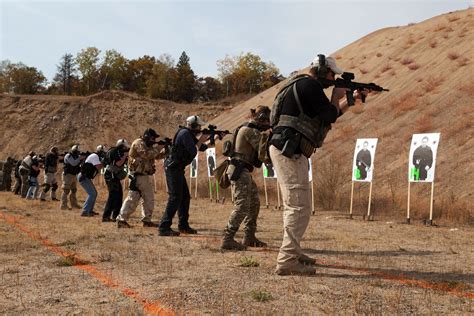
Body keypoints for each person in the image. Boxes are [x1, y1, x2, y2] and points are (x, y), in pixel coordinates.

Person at [268, 54, 368, 275]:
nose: (333, 78)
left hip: (289, 148)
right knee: (298, 207)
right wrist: (340, 96)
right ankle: (286, 260)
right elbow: (330, 115)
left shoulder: (300, 84)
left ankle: (293, 251)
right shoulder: (310, 86)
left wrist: (345, 96)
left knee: (296, 205)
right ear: (323, 72)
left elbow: (326, 116)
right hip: (289, 149)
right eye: (333, 74)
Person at [221, 105, 271, 250]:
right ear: (262, 119)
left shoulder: (247, 129)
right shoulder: (249, 131)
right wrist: (269, 135)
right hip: (239, 170)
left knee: (254, 203)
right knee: (242, 205)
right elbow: (263, 151)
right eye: (266, 121)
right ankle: (227, 238)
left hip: (242, 171)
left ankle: (249, 237)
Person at [158, 116, 209, 236]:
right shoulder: (185, 133)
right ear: (193, 125)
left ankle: (183, 225)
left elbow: (202, 147)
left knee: (184, 197)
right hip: (173, 168)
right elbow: (193, 151)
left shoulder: (188, 134)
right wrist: (201, 139)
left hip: (177, 168)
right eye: (199, 126)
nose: (200, 128)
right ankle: (163, 227)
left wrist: (215, 137)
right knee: (175, 197)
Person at [116, 129, 167, 228]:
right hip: (137, 176)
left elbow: (157, 156)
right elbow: (147, 154)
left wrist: (166, 150)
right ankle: (122, 219)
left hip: (144, 176)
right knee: (133, 198)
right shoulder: (138, 143)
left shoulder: (148, 146)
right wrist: (159, 146)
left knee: (147, 199)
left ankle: (146, 220)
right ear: (147, 136)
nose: (154, 140)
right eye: (153, 138)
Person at [102, 139, 130, 222]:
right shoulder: (114, 151)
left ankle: (115, 215)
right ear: (121, 146)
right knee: (112, 196)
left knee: (119, 196)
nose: (126, 148)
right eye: (125, 147)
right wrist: (125, 156)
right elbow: (118, 164)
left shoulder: (119, 151)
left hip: (115, 176)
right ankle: (106, 217)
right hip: (110, 175)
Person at [77, 149, 103, 217]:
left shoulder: (95, 156)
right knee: (92, 193)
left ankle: (90, 210)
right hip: (83, 177)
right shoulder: (95, 156)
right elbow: (98, 166)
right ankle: (85, 211)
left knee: (94, 193)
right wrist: (104, 163)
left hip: (85, 177)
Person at [60, 145, 83, 210]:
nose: (78, 152)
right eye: (77, 151)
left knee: (74, 190)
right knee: (66, 190)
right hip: (67, 175)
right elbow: (73, 163)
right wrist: (79, 158)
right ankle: (63, 205)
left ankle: (74, 205)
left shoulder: (76, 156)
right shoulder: (68, 155)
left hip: (73, 175)